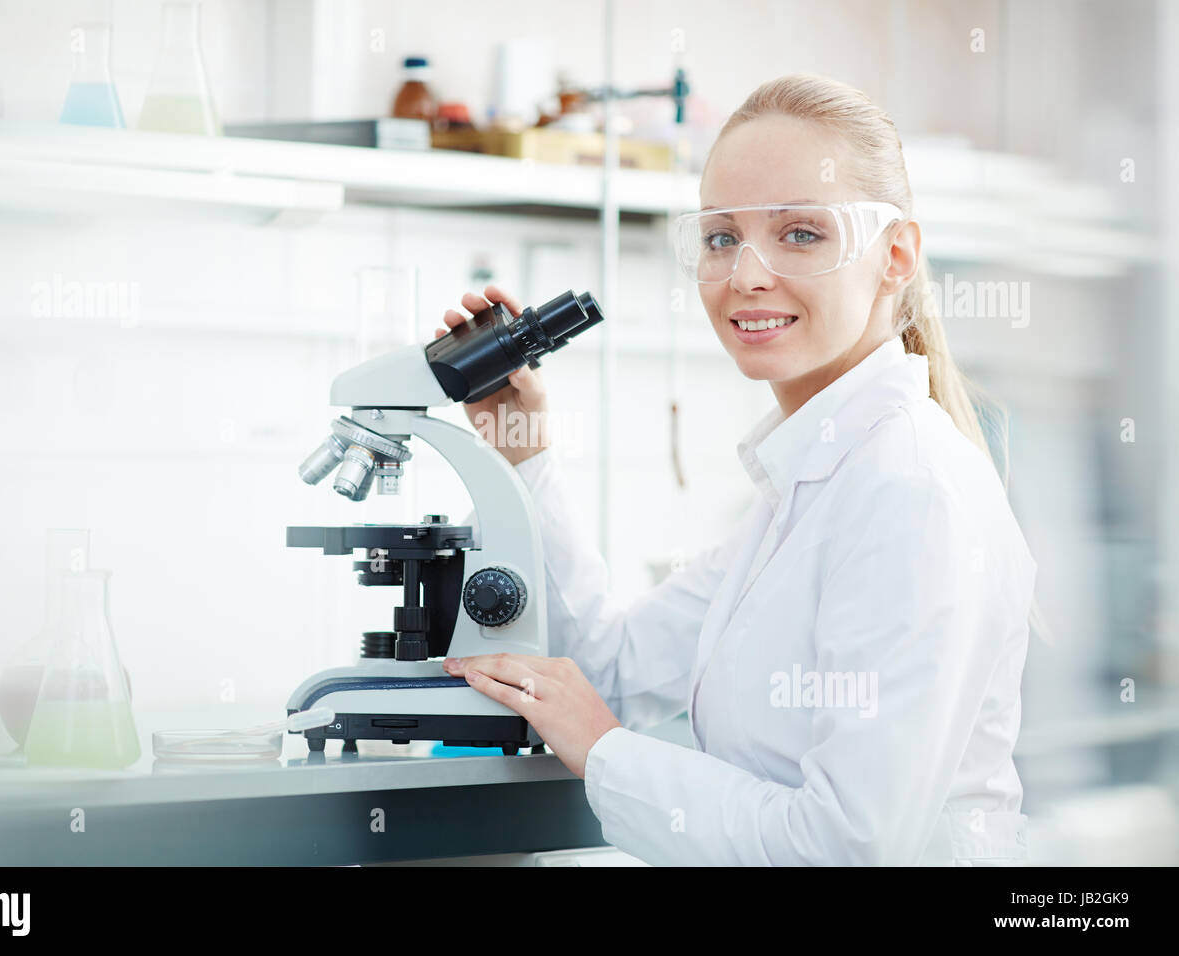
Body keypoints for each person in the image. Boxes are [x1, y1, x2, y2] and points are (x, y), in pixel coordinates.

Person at [434, 73, 1039, 866]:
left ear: (895, 257)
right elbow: (607, 669)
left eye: (800, 234)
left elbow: (846, 849)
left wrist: (609, 750)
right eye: (722, 237)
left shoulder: (909, 490)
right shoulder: (805, 487)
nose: (746, 275)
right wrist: (526, 451)